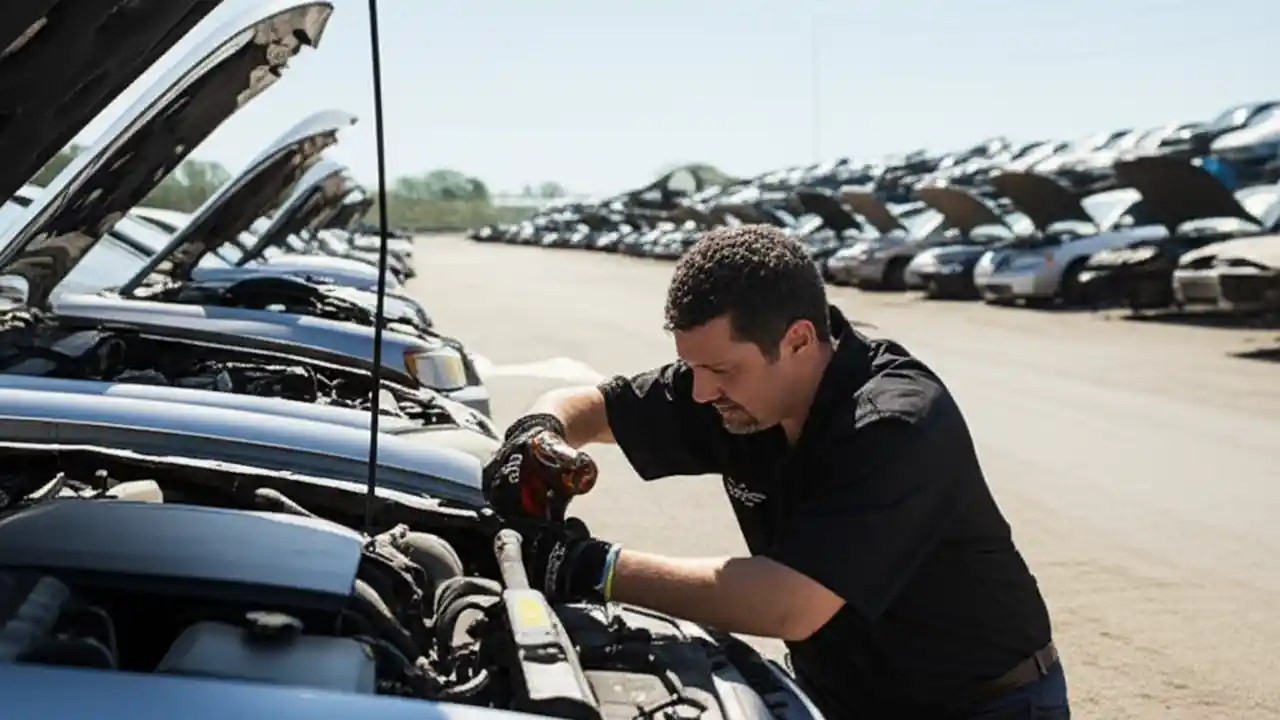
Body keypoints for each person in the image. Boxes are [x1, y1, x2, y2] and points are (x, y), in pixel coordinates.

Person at [482, 224, 1070, 719]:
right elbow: (597, 405)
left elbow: (789, 602)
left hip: (981, 704)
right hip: (839, 694)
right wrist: (537, 432)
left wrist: (590, 565)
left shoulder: (896, 423)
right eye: (694, 367)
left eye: (720, 369)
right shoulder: (735, 391)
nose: (702, 390)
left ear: (797, 340)